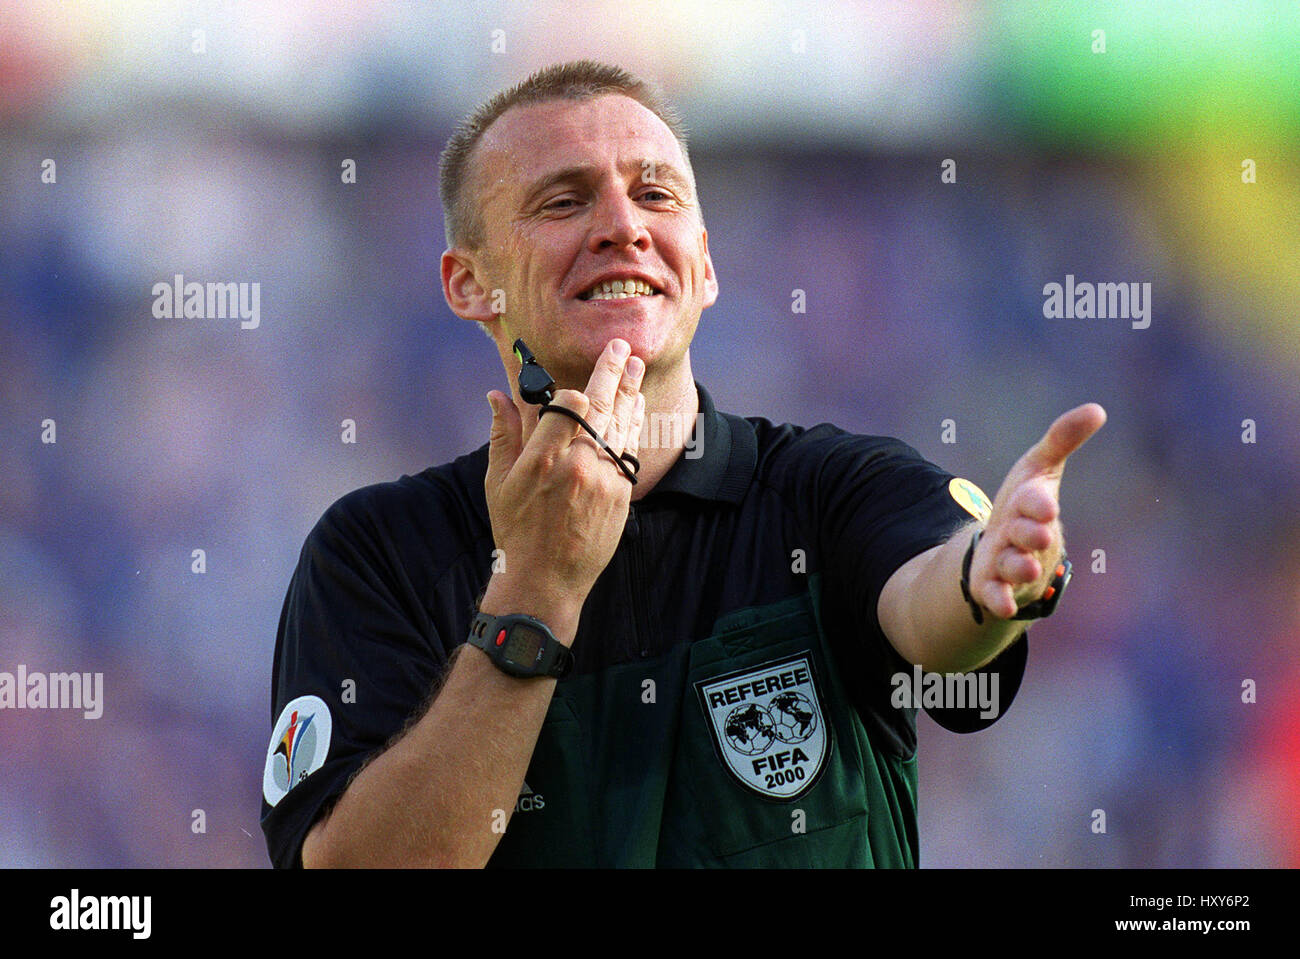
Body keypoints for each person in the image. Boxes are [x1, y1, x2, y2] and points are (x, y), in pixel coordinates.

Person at [260, 60, 1106, 868]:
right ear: (469, 282)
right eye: (563, 201)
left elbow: (934, 608)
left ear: (702, 265)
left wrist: (987, 578)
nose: (624, 226)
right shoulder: (375, 553)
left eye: (654, 194)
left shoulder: (829, 492)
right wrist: (537, 590)